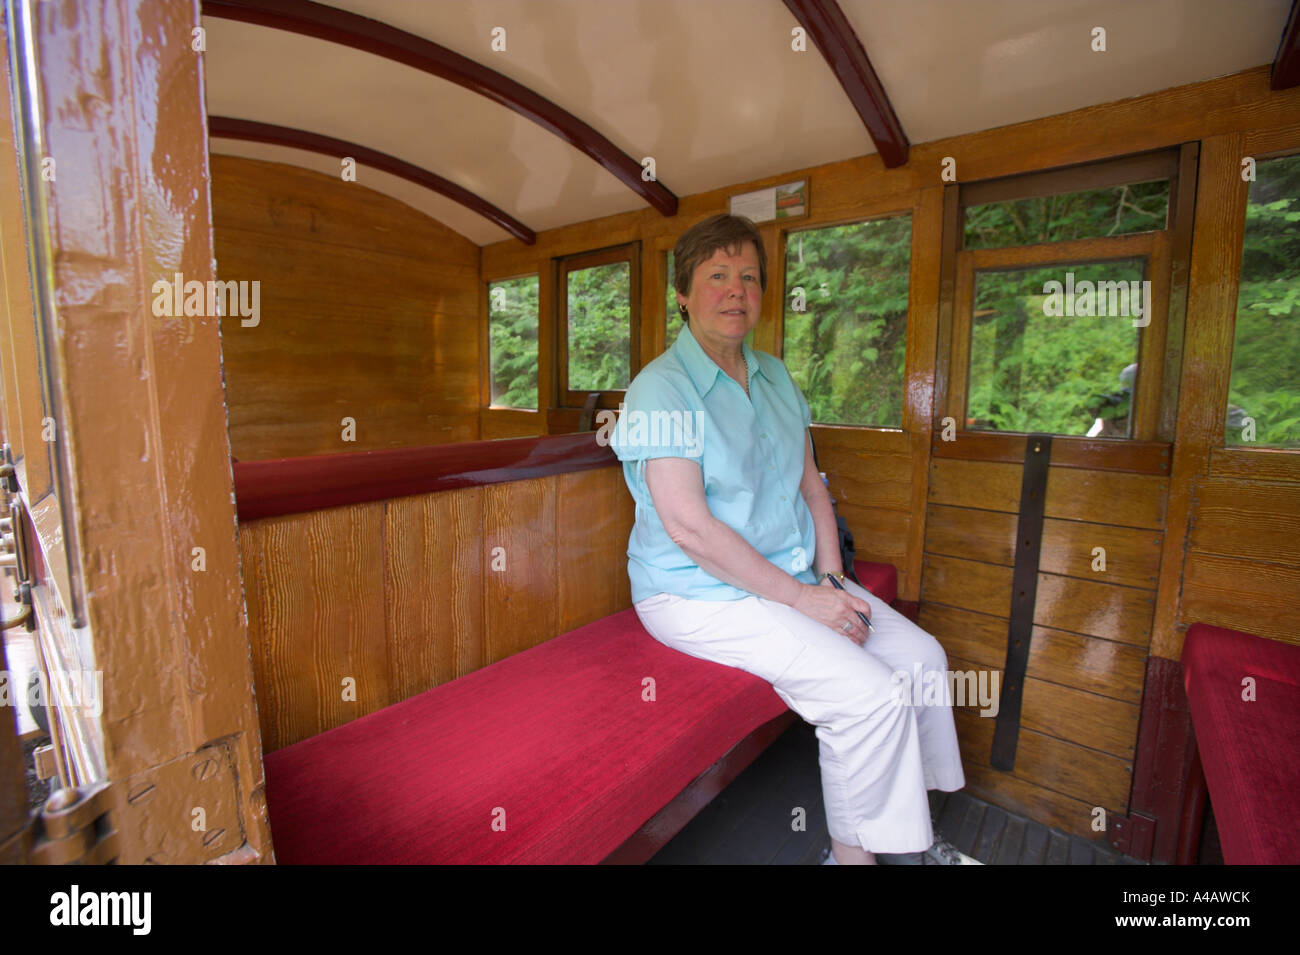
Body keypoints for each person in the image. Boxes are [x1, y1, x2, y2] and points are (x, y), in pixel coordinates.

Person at [609, 213, 970, 865]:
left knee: (920, 660)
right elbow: (689, 526)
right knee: (869, 695)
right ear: (683, 293)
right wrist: (806, 602)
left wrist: (833, 579)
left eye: (748, 276)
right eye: (716, 275)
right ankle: (852, 858)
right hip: (696, 595)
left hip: (793, 577)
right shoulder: (660, 388)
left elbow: (811, 488)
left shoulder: (774, 376)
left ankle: (912, 838)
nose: (735, 289)